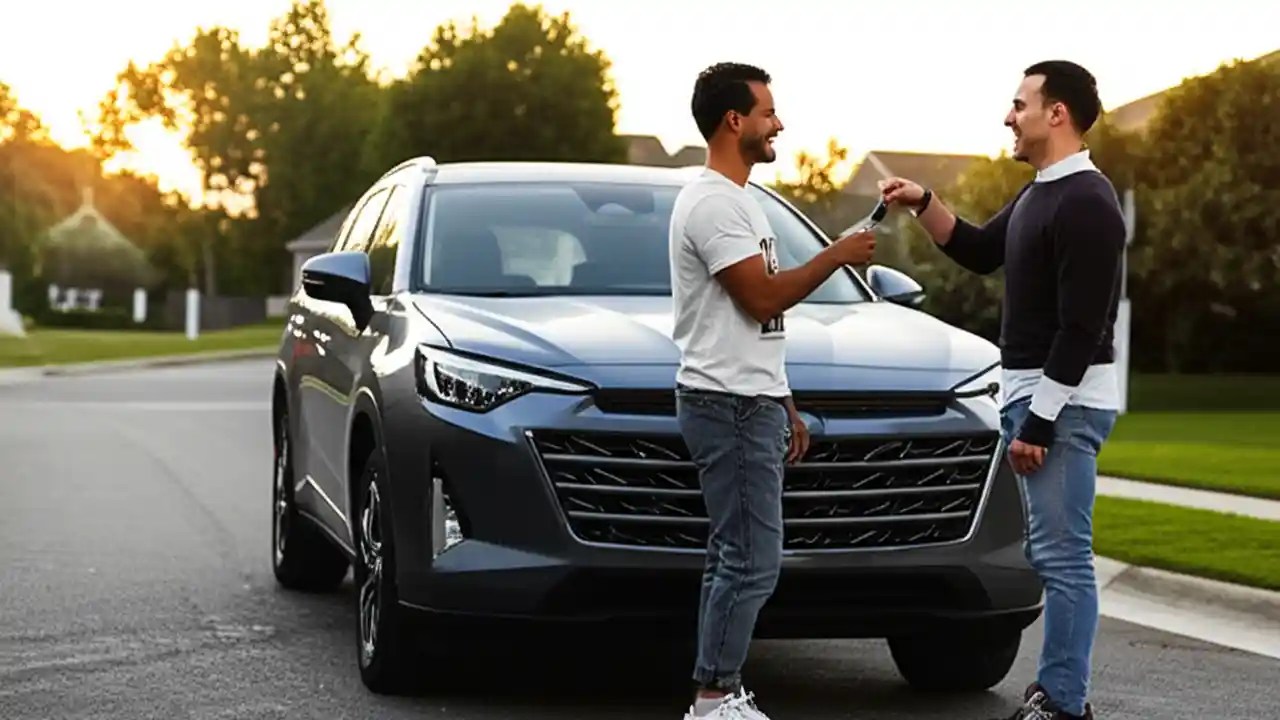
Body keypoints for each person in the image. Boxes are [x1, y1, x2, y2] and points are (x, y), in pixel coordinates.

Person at [879, 60, 1125, 720]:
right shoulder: (1042, 192)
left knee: (1064, 557)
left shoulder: (1087, 202)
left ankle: (1064, 704)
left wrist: (1040, 423)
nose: (1008, 117)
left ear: (1058, 114)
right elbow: (983, 249)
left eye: (1019, 104)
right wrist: (924, 202)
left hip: (1063, 406)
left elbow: (1083, 328)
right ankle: (1059, 696)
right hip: (1032, 398)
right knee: (1052, 553)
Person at [669, 62, 878, 720]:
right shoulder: (712, 204)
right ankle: (715, 697)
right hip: (727, 407)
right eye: (768, 112)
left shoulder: (738, 202)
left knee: (732, 556)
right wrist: (837, 254)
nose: (778, 123)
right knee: (754, 561)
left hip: (748, 401)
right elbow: (761, 299)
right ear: (735, 121)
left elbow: (755, 328)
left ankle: (716, 688)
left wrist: (782, 401)